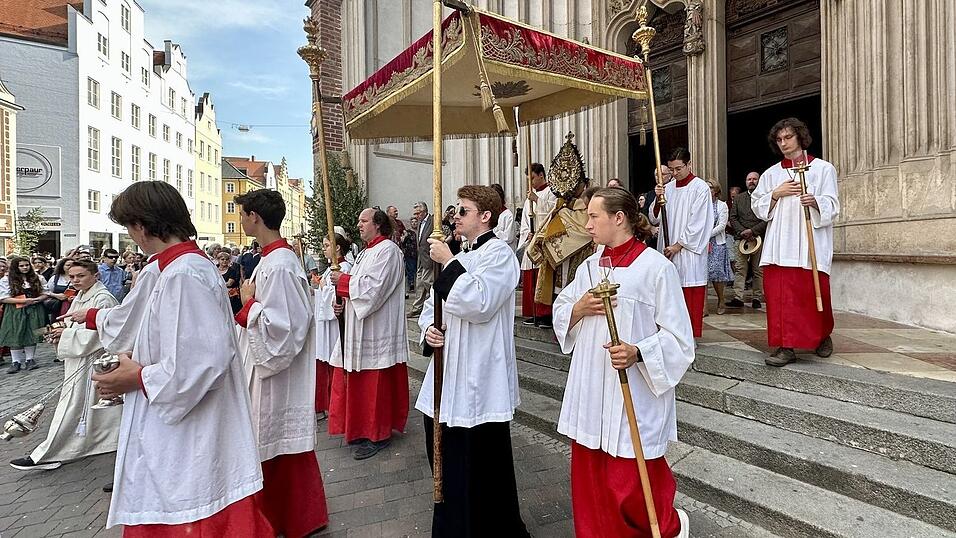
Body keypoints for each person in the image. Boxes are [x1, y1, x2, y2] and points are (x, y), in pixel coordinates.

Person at [66, 181, 270, 533]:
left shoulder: (185, 274)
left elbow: (203, 362)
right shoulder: (169, 267)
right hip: (171, 415)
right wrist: (103, 327)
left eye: (129, 228)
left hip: (191, 428)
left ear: (142, 226)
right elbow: (144, 322)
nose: (132, 237)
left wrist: (137, 377)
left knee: (189, 504)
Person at [553, 187, 693, 538]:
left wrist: (639, 351)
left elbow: (680, 340)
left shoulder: (656, 268)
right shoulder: (589, 267)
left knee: (629, 484)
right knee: (590, 482)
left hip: (633, 391)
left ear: (619, 218)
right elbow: (561, 309)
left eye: (593, 216)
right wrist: (578, 308)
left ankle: (670, 527)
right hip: (591, 389)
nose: (587, 225)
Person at [418, 186, 528, 537]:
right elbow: (432, 307)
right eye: (456, 210)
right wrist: (429, 330)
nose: (455, 216)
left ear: (485, 216)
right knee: (446, 461)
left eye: (463, 210)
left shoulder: (500, 255)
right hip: (447, 372)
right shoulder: (458, 255)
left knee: (480, 466)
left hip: (481, 377)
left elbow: (479, 303)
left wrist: (448, 262)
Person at [233, 189, 329, 537]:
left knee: (278, 444)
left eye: (242, 214)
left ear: (255, 216)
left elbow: (287, 327)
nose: (241, 220)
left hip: (276, 373)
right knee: (273, 444)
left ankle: (293, 517)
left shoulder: (281, 264)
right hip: (263, 365)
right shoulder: (270, 260)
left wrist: (248, 305)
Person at [9, 260, 121, 471]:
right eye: (72, 276)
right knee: (83, 405)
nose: (75, 280)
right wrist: (57, 333)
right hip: (77, 356)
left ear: (95, 276)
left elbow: (103, 332)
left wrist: (66, 334)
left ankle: (50, 452)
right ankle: (101, 441)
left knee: (74, 405)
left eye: (81, 276)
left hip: (92, 359)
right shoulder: (80, 295)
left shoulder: (103, 298)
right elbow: (71, 324)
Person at [752, 117, 840, 367]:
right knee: (781, 299)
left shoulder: (823, 169)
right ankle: (786, 345)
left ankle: (821, 336)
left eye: (788, 137)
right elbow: (758, 206)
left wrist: (816, 202)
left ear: (800, 137)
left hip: (811, 244)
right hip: (780, 245)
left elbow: (833, 205)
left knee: (814, 294)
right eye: (779, 139)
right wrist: (775, 194)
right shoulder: (771, 174)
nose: (783, 143)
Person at [328, 208, 409, 460]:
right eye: (359, 220)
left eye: (363, 220)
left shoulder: (388, 251)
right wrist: (341, 302)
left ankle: (378, 433)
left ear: (378, 224)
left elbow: (373, 289)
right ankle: (362, 429)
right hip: (359, 327)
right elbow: (357, 287)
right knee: (360, 382)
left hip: (377, 329)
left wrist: (343, 281)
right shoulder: (366, 252)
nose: (359, 224)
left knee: (375, 384)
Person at [648, 148, 714, 339]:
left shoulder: (700, 188)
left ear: (689, 164)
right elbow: (654, 218)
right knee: (668, 293)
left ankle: (689, 337)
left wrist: (678, 245)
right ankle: (670, 335)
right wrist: (658, 200)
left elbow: (699, 222)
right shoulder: (667, 188)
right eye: (671, 170)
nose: (675, 173)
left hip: (688, 252)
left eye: (678, 169)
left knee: (689, 292)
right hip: (667, 248)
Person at [527, 178, 593, 329]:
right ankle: (555, 317)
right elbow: (547, 223)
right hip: (560, 261)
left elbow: (584, 229)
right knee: (559, 289)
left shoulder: (585, 207)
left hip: (580, 254)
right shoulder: (560, 206)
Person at [313, 233, 353, 416]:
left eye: (327, 245)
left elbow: (338, 294)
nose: (324, 249)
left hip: (335, 324)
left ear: (337, 248)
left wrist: (322, 287)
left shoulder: (344, 268)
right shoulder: (330, 269)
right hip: (325, 324)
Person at [517, 163, 558, 326]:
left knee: (542, 278)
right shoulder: (530, 196)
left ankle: (544, 314)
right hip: (531, 240)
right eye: (528, 179)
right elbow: (526, 220)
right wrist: (527, 232)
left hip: (543, 241)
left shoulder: (552, 192)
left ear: (541, 175)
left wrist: (538, 201)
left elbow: (554, 212)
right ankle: (533, 312)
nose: (531, 182)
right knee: (531, 278)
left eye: (533, 178)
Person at [1, 256, 49, 373]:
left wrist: (37, 299)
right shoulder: (7, 280)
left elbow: (46, 293)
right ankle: (15, 361)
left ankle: (30, 359)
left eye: (27, 265)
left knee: (32, 332)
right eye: (21, 266)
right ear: (15, 267)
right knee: (15, 333)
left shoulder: (38, 277)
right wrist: (24, 301)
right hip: (15, 310)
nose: (25, 268)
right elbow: (3, 298)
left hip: (34, 308)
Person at [728, 171, 767, 308]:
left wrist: (753, 231)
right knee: (740, 268)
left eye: (754, 179)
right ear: (745, 182)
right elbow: (733, 218)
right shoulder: (739, 198)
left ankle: (757, 298)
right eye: (749, 179)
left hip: (758, 238)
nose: (752, 181)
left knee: (758, 270)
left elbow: (767, 218)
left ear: (759, 181)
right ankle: (738, 297)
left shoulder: (765, 198)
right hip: (741, 238)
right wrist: (743, 231)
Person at [706, 180, 732, 315]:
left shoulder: (722, 205)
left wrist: (706, 235)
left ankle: (721, 299)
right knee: (702, 273)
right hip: (702, 243)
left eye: (710, 187)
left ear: (716, 190)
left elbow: (722, 225)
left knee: (717, 273)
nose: (708, 190)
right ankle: (703, 306)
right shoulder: (701, 204)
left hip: (717, 243)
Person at [408, 201, 435, 318]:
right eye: (415, 214)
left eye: (418, 213)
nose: (416, 216)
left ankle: (436, 302)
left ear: (424, 212)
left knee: (427, 281)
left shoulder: (432, 221)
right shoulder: (420, 223)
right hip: (421, 257)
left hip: (429, 257)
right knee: (419, 283)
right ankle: (417, 308)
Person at [641, 165, 673, 251]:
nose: (659, 177)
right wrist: (651, 228)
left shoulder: (675, 192)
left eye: (662, 174)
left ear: (670, 176)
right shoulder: (650, 195)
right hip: (654, 239)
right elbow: (645, 215)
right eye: (656, 175)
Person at [491, 183, 517, 251]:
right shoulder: (489, 214)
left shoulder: (507, 215)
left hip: (505, 251)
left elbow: (508, 237)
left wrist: (493, 233)